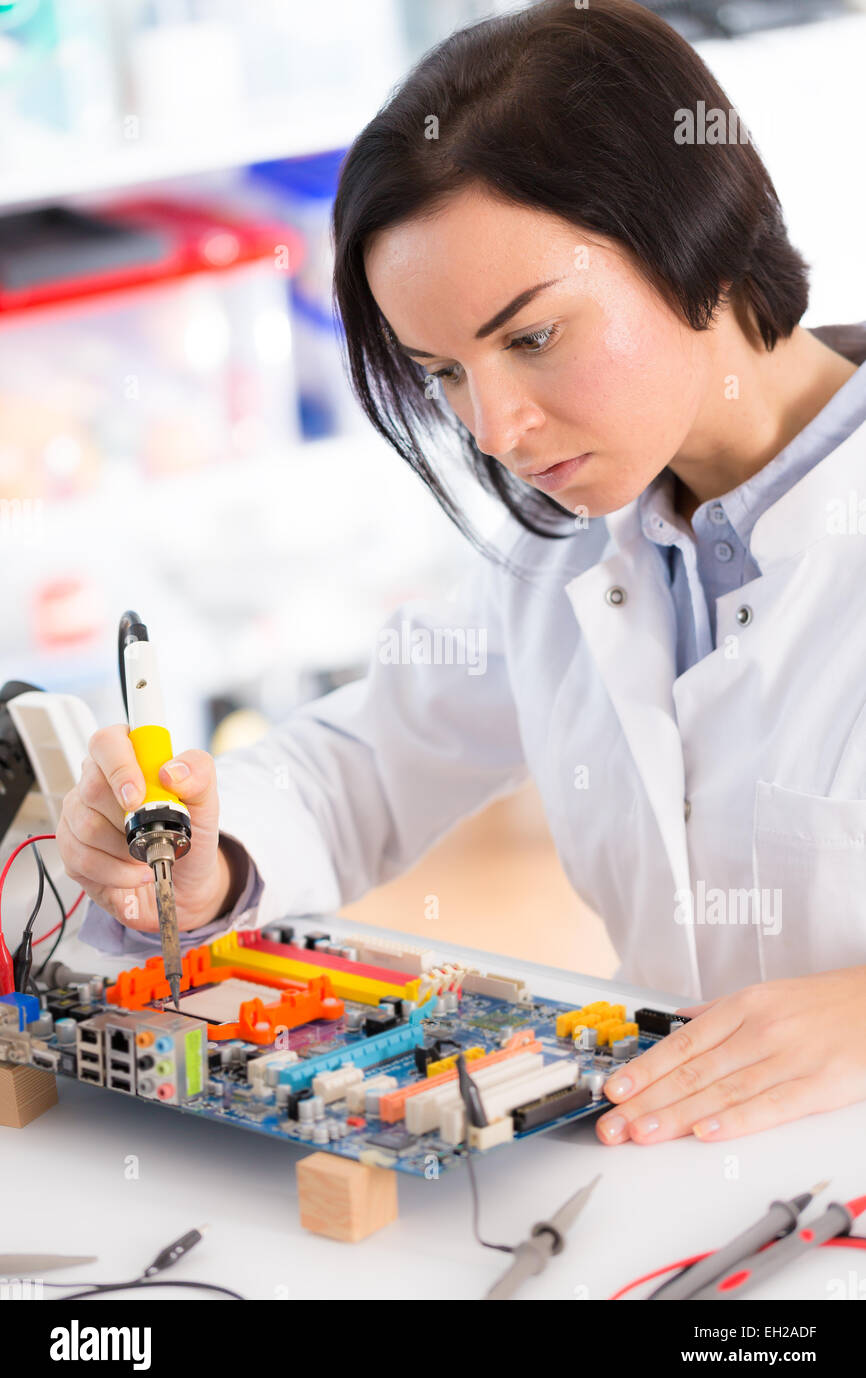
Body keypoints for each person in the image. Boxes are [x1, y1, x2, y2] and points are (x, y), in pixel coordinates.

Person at [57, 0, 866, 1147]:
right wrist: (206, 852)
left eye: (532, 338)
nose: (493, 428)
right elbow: (370, 765)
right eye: (442, 372)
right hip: (672, 1179)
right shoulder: (571, 547)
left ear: (702, 234)